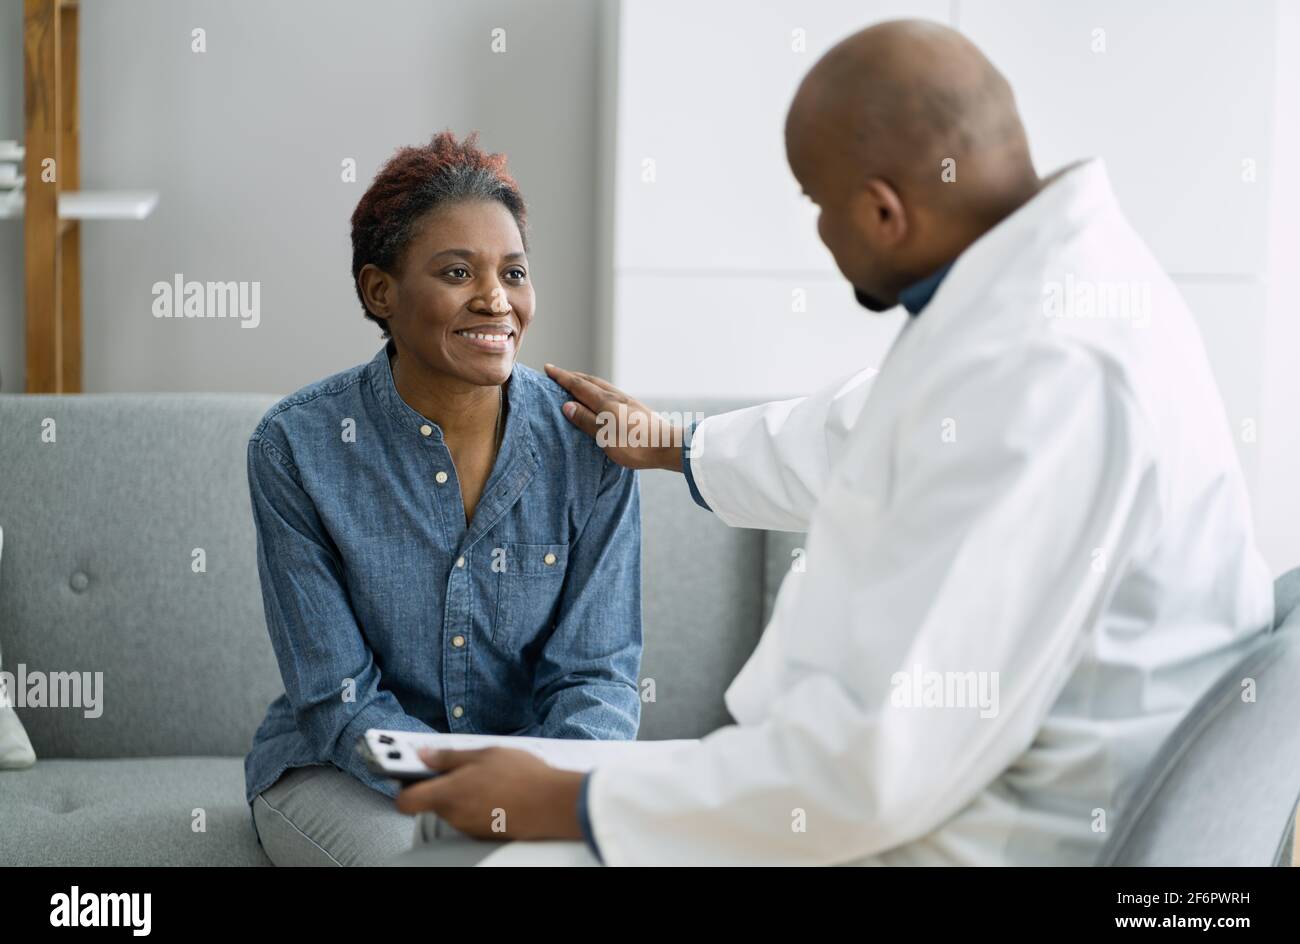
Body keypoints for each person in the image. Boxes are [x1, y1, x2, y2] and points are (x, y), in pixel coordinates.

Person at [392, 21, 1274, 865]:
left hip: (992, 836)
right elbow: (883, 435)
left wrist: (573, 800)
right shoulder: (1049, 294)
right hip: (957, 793)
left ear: (884, 212)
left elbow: (878, 764)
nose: (818, 230)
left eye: (817, 205)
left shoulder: (1049, 368)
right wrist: (676, 444)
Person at [244, 131, 643, 866]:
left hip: (536, 775)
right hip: (343, 775)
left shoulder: (594, 444)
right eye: (458, 271)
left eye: (514, 272)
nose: (496, 300)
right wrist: (471, 792)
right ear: (380, 291)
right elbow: (337, 699)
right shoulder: (295, 448)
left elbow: (597, 679)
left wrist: (538, 793)